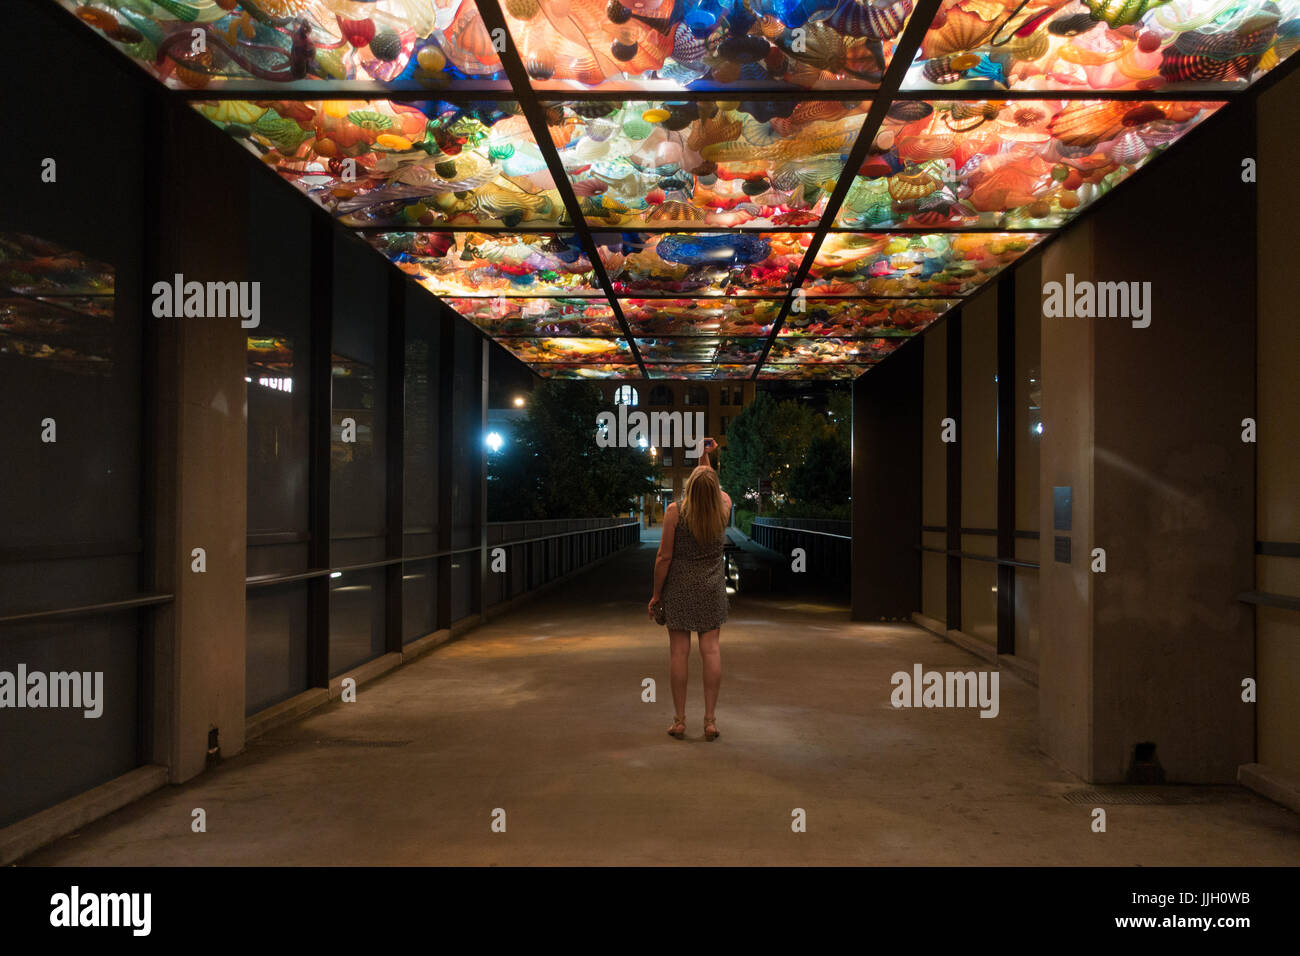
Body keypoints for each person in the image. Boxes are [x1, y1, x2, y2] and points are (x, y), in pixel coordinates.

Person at [648, 438, 730, 741]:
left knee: (679, 653)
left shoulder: (674, 512)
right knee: (711, 651)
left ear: (690, 486)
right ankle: (710, 721)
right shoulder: (723, 509)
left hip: (679, 589)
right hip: (711, 590)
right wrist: (706, 457)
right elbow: (712, 487)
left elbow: (664, 557)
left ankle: (680, 720)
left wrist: (657, 595)